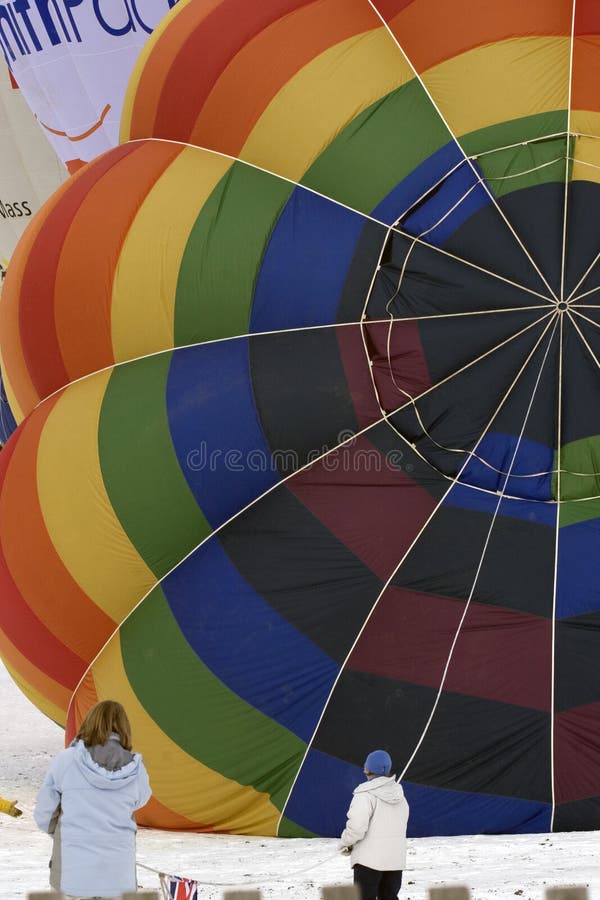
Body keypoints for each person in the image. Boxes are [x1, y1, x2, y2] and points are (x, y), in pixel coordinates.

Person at [34, 699, 151, 899]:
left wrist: (67, 833)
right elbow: (141, 800)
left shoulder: (66, 760)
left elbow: (43, 815)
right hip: (118, 877)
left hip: (73, 875)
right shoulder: (135, 769)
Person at [339, 750, 409, 900]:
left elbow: (356, 828)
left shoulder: (365, 794)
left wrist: (345, 843)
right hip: (395, 861)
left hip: (368, 863)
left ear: (368, 768)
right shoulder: (401, 798)